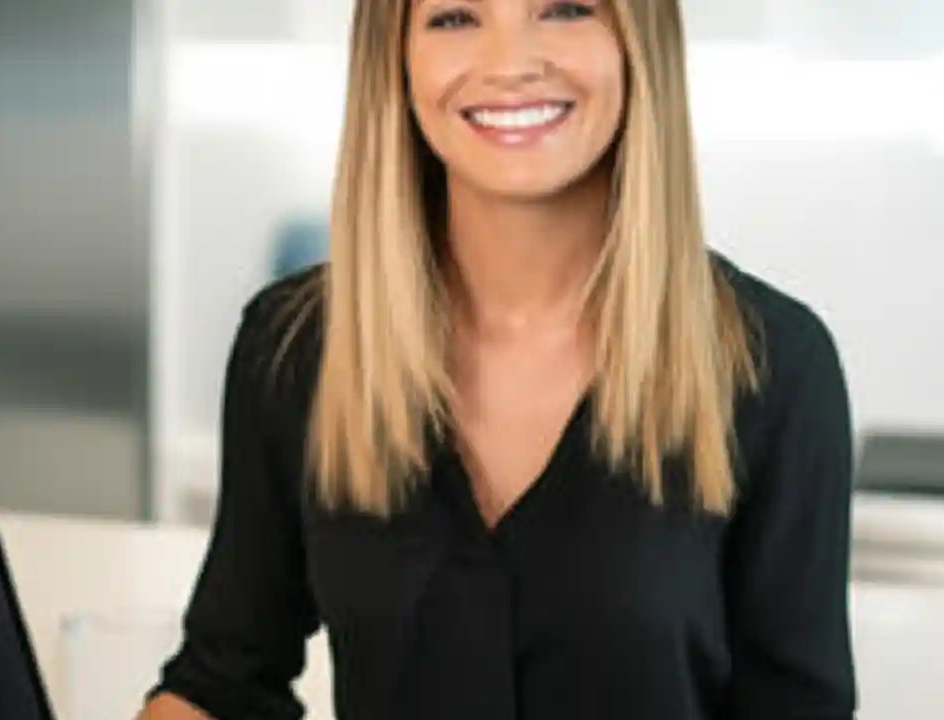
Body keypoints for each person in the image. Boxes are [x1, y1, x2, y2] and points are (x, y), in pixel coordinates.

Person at [140, 0, 857, 718]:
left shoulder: (773, 368)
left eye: (567, 9)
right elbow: (222, 683)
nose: (510, 63)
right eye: (454, 17)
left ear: (640, 43)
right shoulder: (295, 349)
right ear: (394, 56)